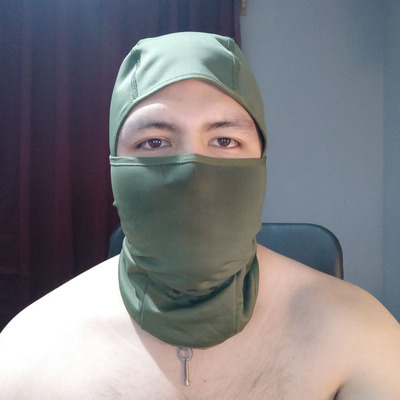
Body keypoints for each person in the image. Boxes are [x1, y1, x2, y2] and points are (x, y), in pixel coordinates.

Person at [0, 32, 399, 400]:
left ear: (261, 162)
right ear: (115, 167)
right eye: (154, 142)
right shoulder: (30, 350)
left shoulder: (358, 334)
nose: (194, 178)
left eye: (224, 140)